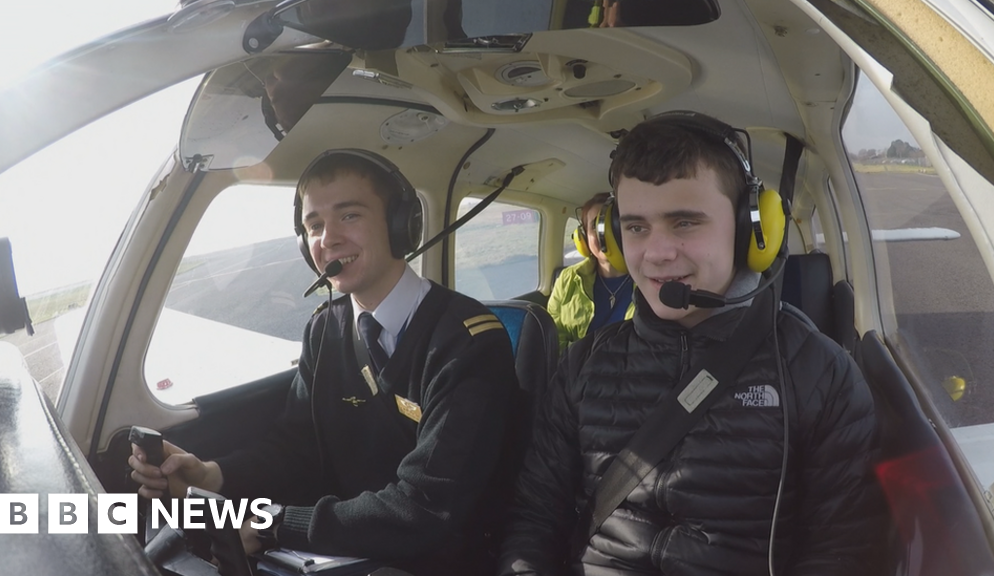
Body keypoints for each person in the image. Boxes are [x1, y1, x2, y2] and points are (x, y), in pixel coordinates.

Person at [497, 111, 882, 575]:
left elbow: (843, 550)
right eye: (637, 227)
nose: (657, 253)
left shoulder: (820, 372)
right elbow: (535, 518)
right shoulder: (584, 365)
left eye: (684, 223)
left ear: (749, 232)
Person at [130, 149, 520, 576]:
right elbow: (296, 447)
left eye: (349, 215)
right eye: (314, 225)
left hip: (443, 559)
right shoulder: (324, 330)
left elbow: (424, 508)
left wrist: (274, 524)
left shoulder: (467, 341)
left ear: (399, 224)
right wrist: (211, 475)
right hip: (344, 553)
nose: (327, 238)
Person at [549, 193, 635, 352]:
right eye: (596, 226)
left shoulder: (649, 278)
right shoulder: (568, 279)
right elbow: (553, 338)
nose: (605, 234)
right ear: (583, 237)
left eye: (612, 224)